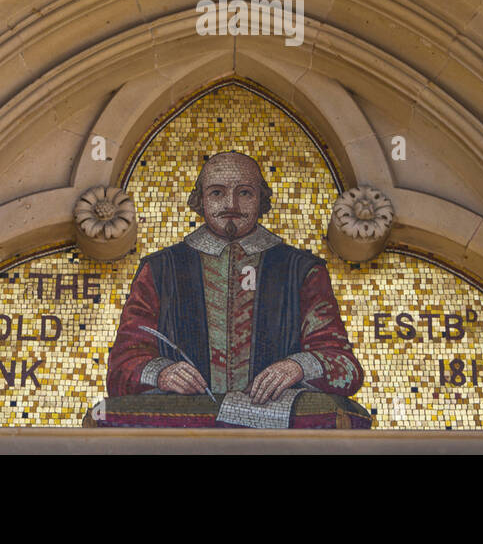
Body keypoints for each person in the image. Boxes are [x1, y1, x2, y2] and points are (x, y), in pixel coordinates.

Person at [106, 151, 364, 405]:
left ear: (261, 200)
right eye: (217, 192)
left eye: (244, 193)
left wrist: (297, 366)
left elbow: (345, 367)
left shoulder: (301, 270)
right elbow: (122, 365)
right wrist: (161, 373)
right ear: (201, 200)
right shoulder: (161, 270)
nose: (231, 204)